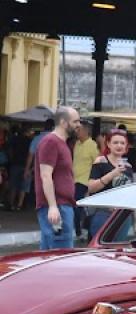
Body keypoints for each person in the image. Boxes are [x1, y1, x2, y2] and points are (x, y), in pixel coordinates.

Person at [35, 107, 80, 250]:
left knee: (51, 253)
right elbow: (46, 175)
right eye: (75, 121)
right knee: (60, 254)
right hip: (57, 206)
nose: (79, 125)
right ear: (63, 122)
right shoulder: (51, 142)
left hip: (62, 205)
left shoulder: (62, 144)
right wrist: (53, 206)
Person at [84, 127, 135, 240]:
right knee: (101, 251)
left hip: (122, 216)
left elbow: (131, 194)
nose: (119, 146)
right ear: (108, 144)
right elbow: (91, 187)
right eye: (115, 142)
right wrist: (113, 174)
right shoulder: (101, 161)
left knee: (117, 251)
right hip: (102, 213)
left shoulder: (128, 166)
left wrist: (135, 221)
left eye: (122, 143)